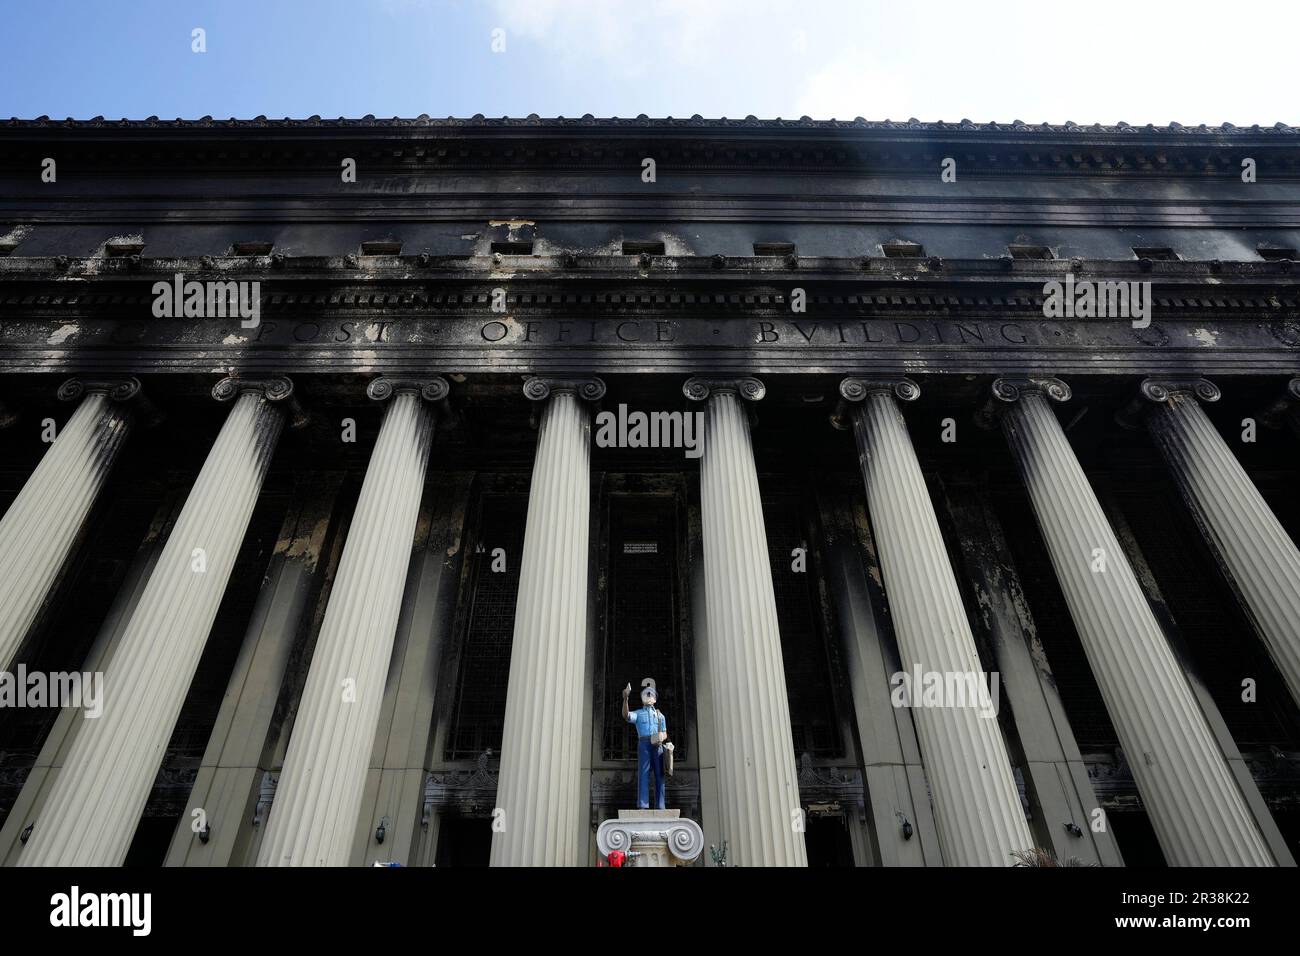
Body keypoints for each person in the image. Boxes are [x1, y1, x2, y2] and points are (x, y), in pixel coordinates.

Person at [622, 678, 667, 810]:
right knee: (644, 773)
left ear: (655, 699)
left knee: (660, 774)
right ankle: (643, 804)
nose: (648, 696)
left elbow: (665, 732)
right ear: (642, 698)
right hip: (644, 744)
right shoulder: (639, 714)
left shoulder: (660, 716)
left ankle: (660, 805)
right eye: (645, 694)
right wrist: (626, 699)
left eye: (650, 694)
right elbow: (626, 715)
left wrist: (661, 737)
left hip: (657, 745)